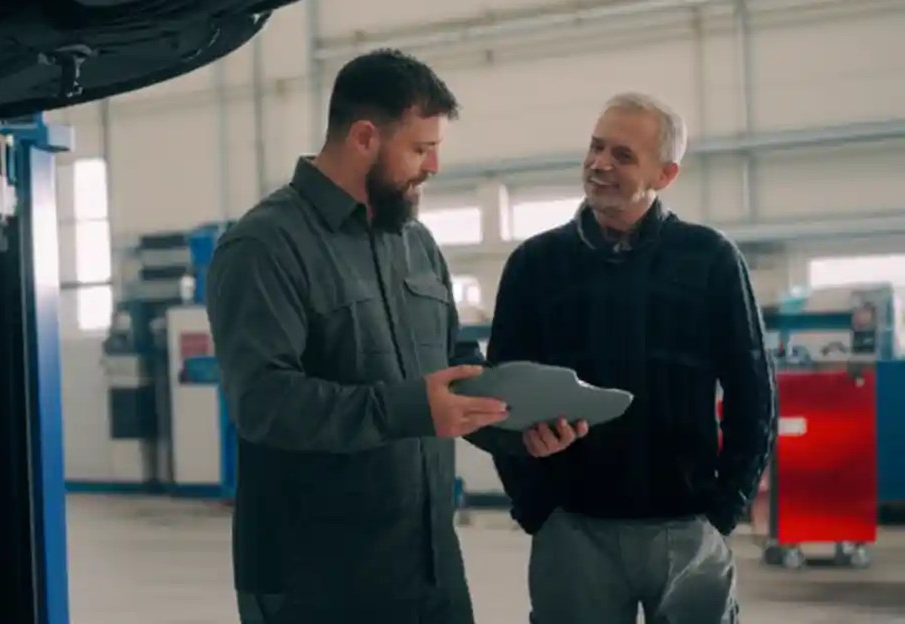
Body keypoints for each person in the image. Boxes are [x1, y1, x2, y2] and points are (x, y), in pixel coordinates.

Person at [206, 49, 583, 624]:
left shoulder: (414, 241)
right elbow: (262, 402)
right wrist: (411, 408)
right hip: (316, 581)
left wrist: (519, 427)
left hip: (428, 566)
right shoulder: (263, 247)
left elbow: (454, 365)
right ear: (364, 138)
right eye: (420, 148)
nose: (432, 165)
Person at [483, 92, 778, 623]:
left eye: (622, 155)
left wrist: (723, 509)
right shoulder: (535, 265)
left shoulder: (710, 260)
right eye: (596, 147)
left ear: (665, 175)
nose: (599, 164)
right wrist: (534, 505)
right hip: (572, 527)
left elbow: (752, 390)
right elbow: (499, 393)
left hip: (686, 528)